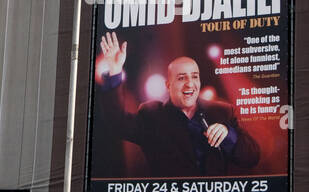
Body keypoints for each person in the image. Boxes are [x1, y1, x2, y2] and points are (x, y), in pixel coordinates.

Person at [94, 31, 259, 176]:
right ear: (168, 85)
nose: (190, 84)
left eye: (194, 76)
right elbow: (115, 122)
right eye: (181, 78)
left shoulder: (223, 112)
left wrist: (228, 135)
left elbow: (252, 157)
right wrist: (115, 71)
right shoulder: (151, 115)